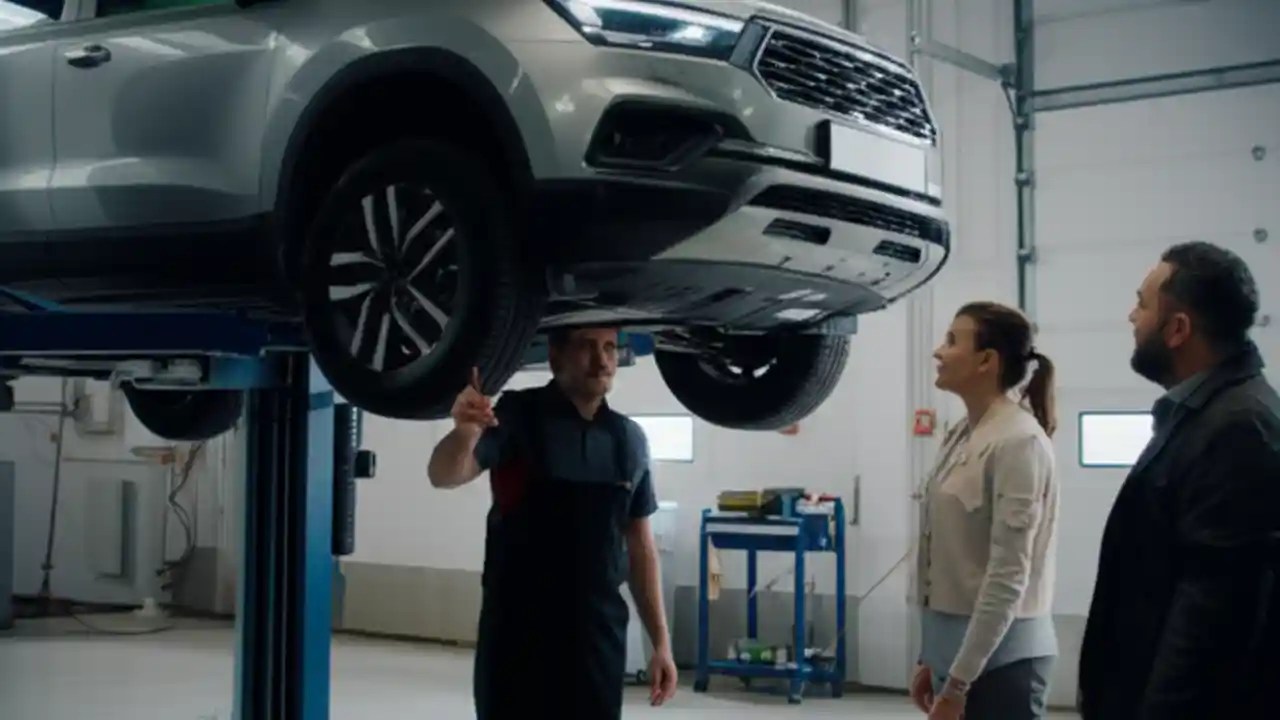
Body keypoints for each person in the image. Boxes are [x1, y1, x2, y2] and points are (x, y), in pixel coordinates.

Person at [427, 325, 678, 720]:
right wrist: (466, 433)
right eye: (587, 347)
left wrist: (660, 643)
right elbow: (443, 474)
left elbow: (641, 548)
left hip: (597, 640)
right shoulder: (515, 416)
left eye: (610, 348)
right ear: (555, 356)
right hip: (518, 637)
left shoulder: (628, 439)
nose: (603, 361)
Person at [1077, 241, 1280, 720]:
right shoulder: (1202, 412)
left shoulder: (1238, 427)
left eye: (1142, 304)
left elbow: (1211, 619)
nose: (1131, 317)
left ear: (1177, 329)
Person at [910, 301, 1061, 720]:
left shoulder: (1019, 442)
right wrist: (934, 658)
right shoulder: (962, 433)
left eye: (952, 341)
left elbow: (1008, 575)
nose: (938, 352)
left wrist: (959, 681)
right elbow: (947, 556)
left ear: (986, 361)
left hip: (1001, 665)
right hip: (957, 658)